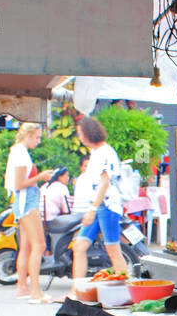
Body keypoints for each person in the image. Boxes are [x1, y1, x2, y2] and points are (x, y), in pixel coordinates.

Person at [70, 116, 127, 287]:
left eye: (80, 133)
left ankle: (126, 290)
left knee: (113, 249)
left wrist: (93, 208)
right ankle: (76, 291)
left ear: (88, 133)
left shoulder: (104, 152)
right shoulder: (97, 153)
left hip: (107, 205)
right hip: (99, 205)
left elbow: (105, 182)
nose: (79, 137)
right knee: (79, 247)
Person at [7, 122, 57, 304]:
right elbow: (19, 184)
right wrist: (40, 177)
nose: (38, 141)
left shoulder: (17, 151)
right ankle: (35, 291)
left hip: (24, 201)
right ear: (27, 135)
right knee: (39, 245)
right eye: (36, 137)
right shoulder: (20, 154)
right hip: (26, 201)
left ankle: (23, 286)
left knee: (27, 246)